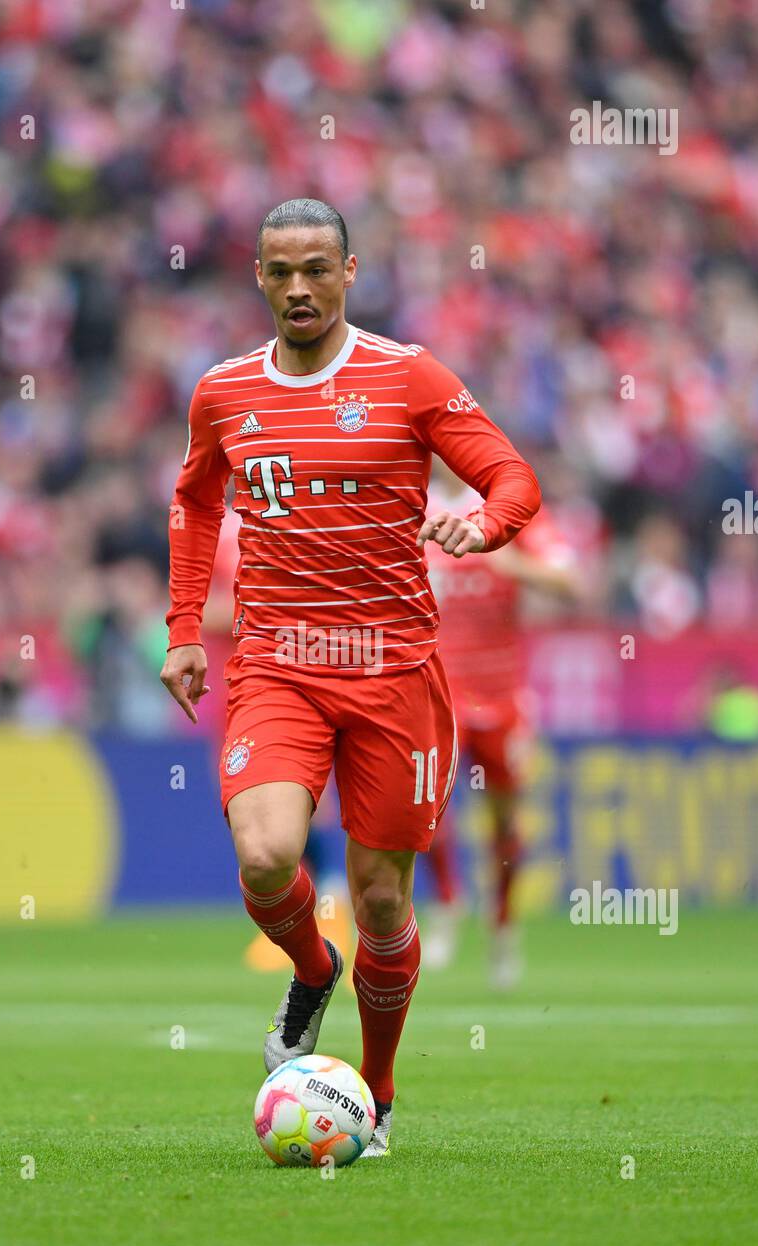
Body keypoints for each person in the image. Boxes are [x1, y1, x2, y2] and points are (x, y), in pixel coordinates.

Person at [160, 198, 541, 1157]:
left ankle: (375, 1094)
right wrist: (182, 629)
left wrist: (480, 527)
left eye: (316, 269)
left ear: (349, 272)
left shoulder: (409, 377)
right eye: (280, 270)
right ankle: (310, 967)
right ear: (257, 275)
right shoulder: (223, 392)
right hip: (279, 664)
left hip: (394, 673)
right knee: (265, 854)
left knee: (382, 899)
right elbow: (196, 500)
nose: (299, 287)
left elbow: (514, 482)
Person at [422, 468, 580, 987]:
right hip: (436, 690)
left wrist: (507, 557)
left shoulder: (507, 508)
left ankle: (504, 925)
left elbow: (569, 581)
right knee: (425, 805)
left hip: (502, 694)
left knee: (505, 819)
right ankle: (448, 904)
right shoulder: (407, 500)